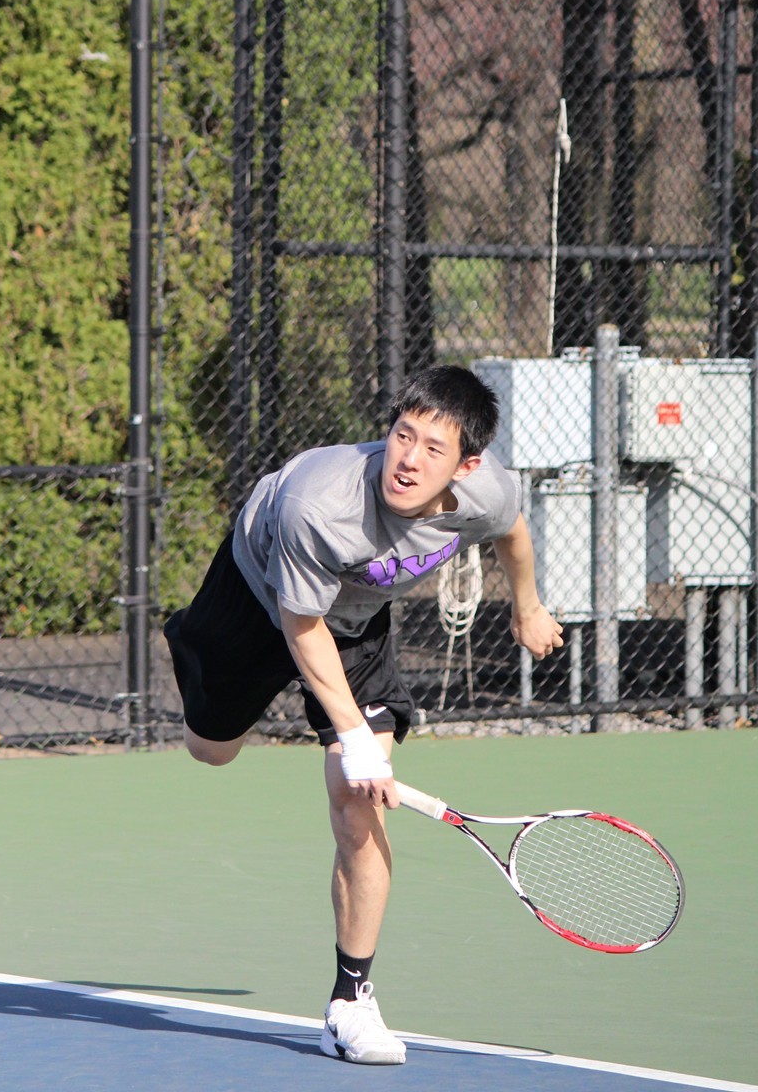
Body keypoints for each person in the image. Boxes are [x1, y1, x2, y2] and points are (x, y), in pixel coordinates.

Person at [163, 364, 562, 1066]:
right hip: (258, 601)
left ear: (466, 465)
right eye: (401, 435)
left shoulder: (487, 490)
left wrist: (526, 605)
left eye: (432, 449)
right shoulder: (321, 504)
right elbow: (301, 625)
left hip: (356, 624)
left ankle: (350, 1000)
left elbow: (513, 532)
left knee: (357, 806)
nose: (408, 458)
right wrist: (353, 736)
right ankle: (191, 641)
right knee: (209, 750)